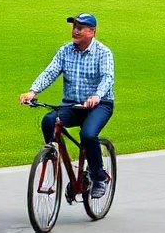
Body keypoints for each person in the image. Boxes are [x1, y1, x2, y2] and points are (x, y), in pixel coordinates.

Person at [19, 13, 115, 199]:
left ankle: (98, 177)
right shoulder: (65, 51)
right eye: (74, 27)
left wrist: (97, 95)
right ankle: (52, 157)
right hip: (72, 105)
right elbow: (50, 72)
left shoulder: (103, 53)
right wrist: (33, 91)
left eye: (80, 27)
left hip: (99, 105)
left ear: (92, 31)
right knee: (49, 121)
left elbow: (107, 77)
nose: (76, 30)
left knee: (87, 135)